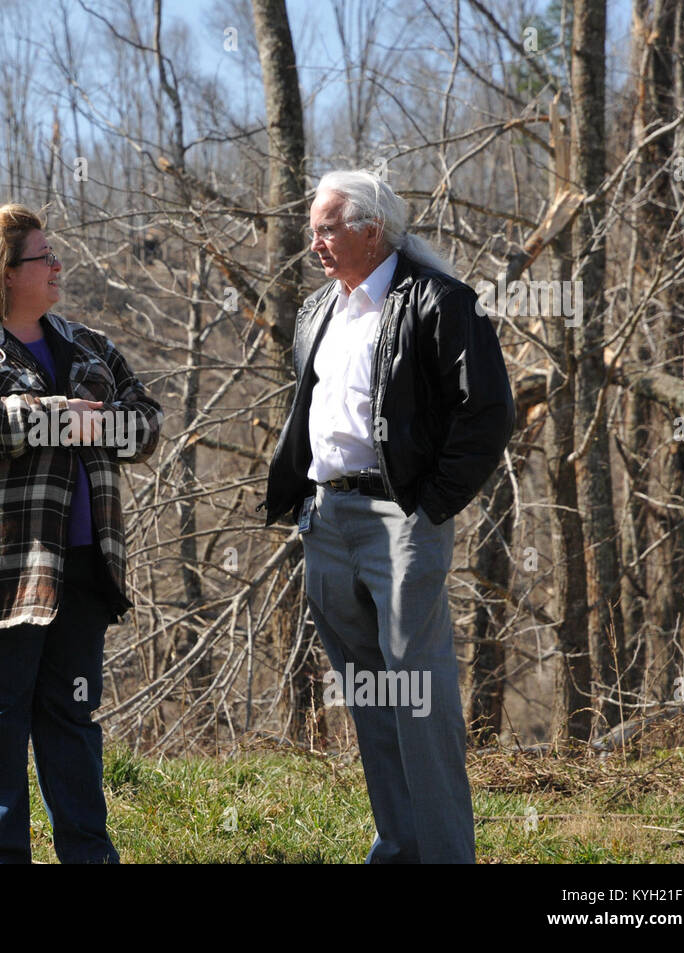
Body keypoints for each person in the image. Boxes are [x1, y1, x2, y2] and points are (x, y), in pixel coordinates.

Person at [263, 170, 515, 863]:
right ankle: (399, 848)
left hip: (399, 516)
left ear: (372, 230)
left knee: (420, 700)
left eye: (328, 227)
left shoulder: (438, 300)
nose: (314, 241)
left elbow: (488, 412)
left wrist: (429, 506)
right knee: (370, 697)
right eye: (313, 228)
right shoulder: (319, 310)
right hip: (326, 519)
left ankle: (443, 855)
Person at [0, 204, 162, 863]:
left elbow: (145, 425)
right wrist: (57, 418)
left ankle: (88, 854)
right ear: (3, 270)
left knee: (72, 718)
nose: (59, 266)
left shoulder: (88, 346)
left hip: (82, 568)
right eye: (44, 257)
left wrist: (98, 423)